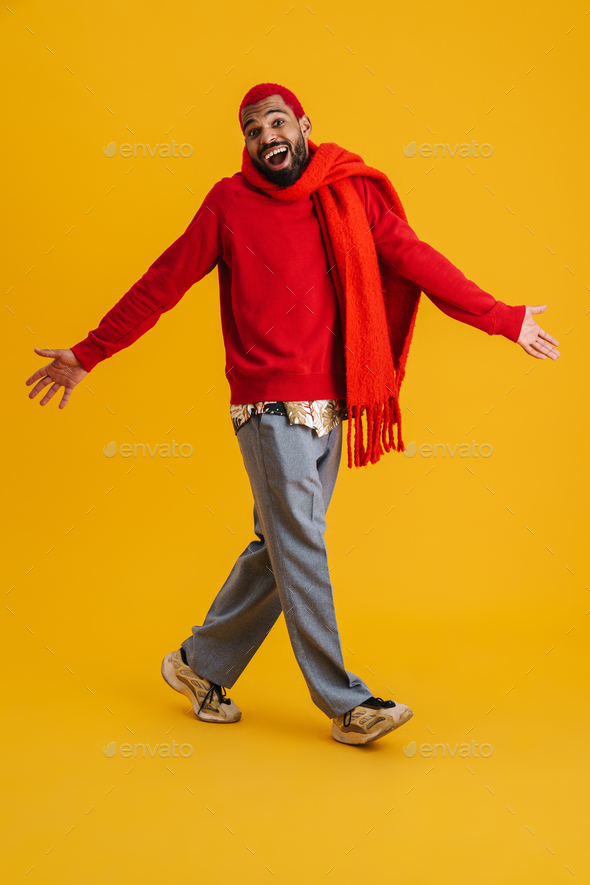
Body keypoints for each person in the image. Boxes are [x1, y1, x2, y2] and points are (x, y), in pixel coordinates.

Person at [25, 83, 560, 746]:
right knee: (302, 545)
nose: (266, 137)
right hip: (266, 405)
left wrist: (502, 319)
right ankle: (348, 703)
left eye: (275, 122)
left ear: (303, 124)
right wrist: (88, 352)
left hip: (331, 405)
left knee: (277, 547)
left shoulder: (349, 192)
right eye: (252, 130)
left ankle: (197, 665)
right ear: (246, 142)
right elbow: (163, 279)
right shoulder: (228, 203)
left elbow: (414, 259)